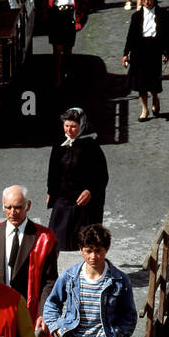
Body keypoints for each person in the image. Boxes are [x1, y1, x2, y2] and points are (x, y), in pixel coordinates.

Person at [0, 186, 59, 333]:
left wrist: (44, 313)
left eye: (18, 207)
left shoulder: (44, 238)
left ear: (28, 206)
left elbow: (50, 280)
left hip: (29, 314)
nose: (12, 213)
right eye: (8, 207)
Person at [46, 107, 108, 253]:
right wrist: (51, 191)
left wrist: (90, 190)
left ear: (81, 126)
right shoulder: (59, 145)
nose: (69, 130)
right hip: (63, 198)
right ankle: (52, 274)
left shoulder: (91, 146)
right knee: (54, 240)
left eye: (73, 126)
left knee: (87, 242)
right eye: (66, 126)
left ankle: (91, 271)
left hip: (83, 202)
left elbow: (101, 174)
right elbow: (53, 171)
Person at [123, 0, 169, 122]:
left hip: (155, 49)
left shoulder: (163, 14)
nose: (147, 2)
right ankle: (144, 109)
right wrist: (126, 53)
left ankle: (155, 98)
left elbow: (168, 36)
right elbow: (130, 36)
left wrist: (166, 52)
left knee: (154, 80)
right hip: (139, 50)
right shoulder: (136, 16)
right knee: (140, 83)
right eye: (144, 0)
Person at [44, 0, 88, 87]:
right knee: (57, 49)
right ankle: (57, 76)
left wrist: (80, 18)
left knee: (68, 49)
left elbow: (85, 2)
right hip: (56, 16)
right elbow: (46, 2)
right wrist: (47, 18)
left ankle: (68, 73)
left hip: (70, 17)